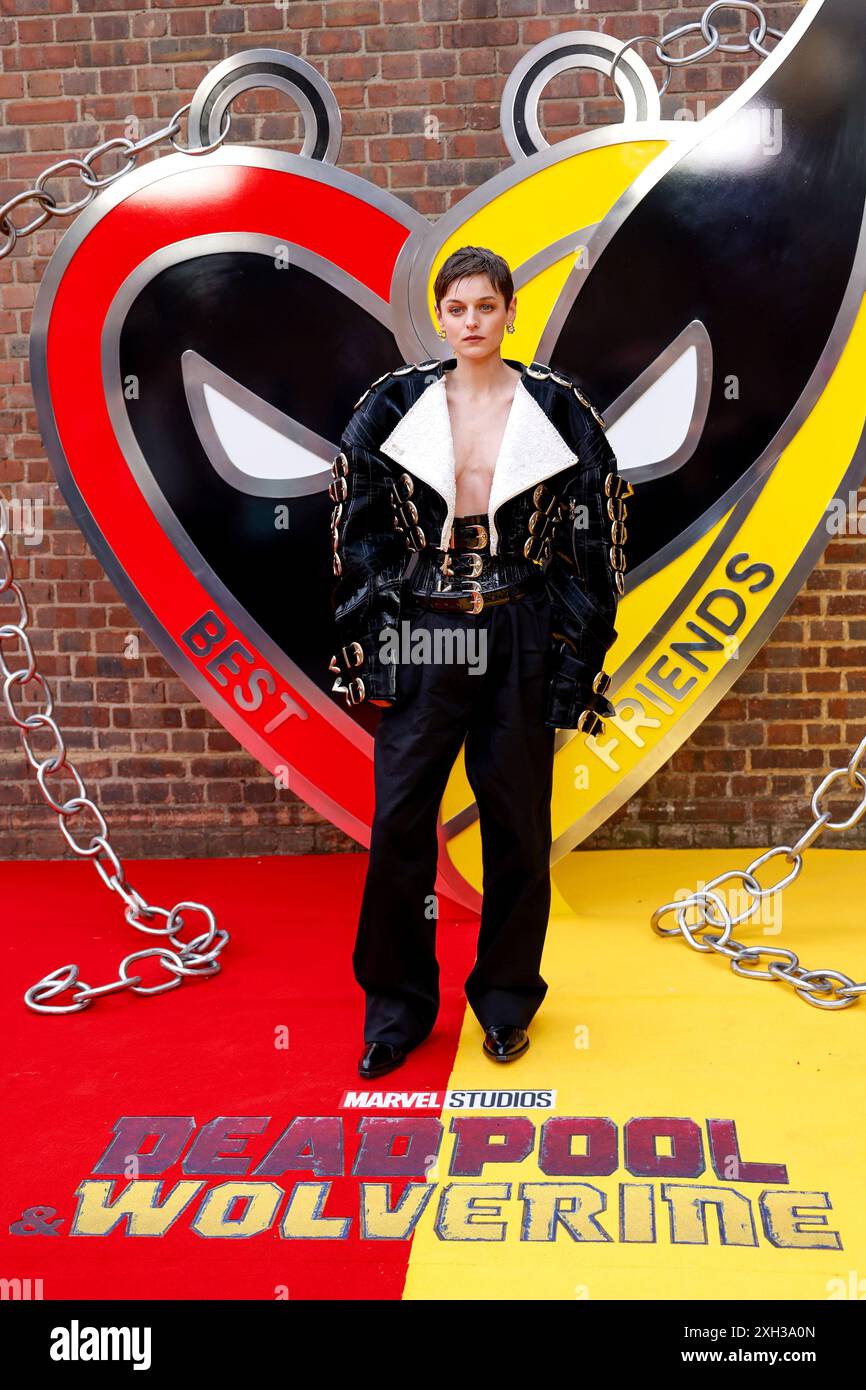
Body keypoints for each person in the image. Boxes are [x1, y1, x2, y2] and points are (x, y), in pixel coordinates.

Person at [327, 246, 631, 1079]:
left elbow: (596, 547)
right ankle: (394, 1013)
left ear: (509, 312)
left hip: (519, 626)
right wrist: (374, 644)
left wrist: (575, 658)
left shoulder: (561, 412)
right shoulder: (391, 406)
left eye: (485, 308)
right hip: (427, 627)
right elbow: (359, 535)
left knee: (518, 829)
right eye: (456, 308)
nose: (471, 322)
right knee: (399, 828)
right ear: (439, 314)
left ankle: (504, 1002)